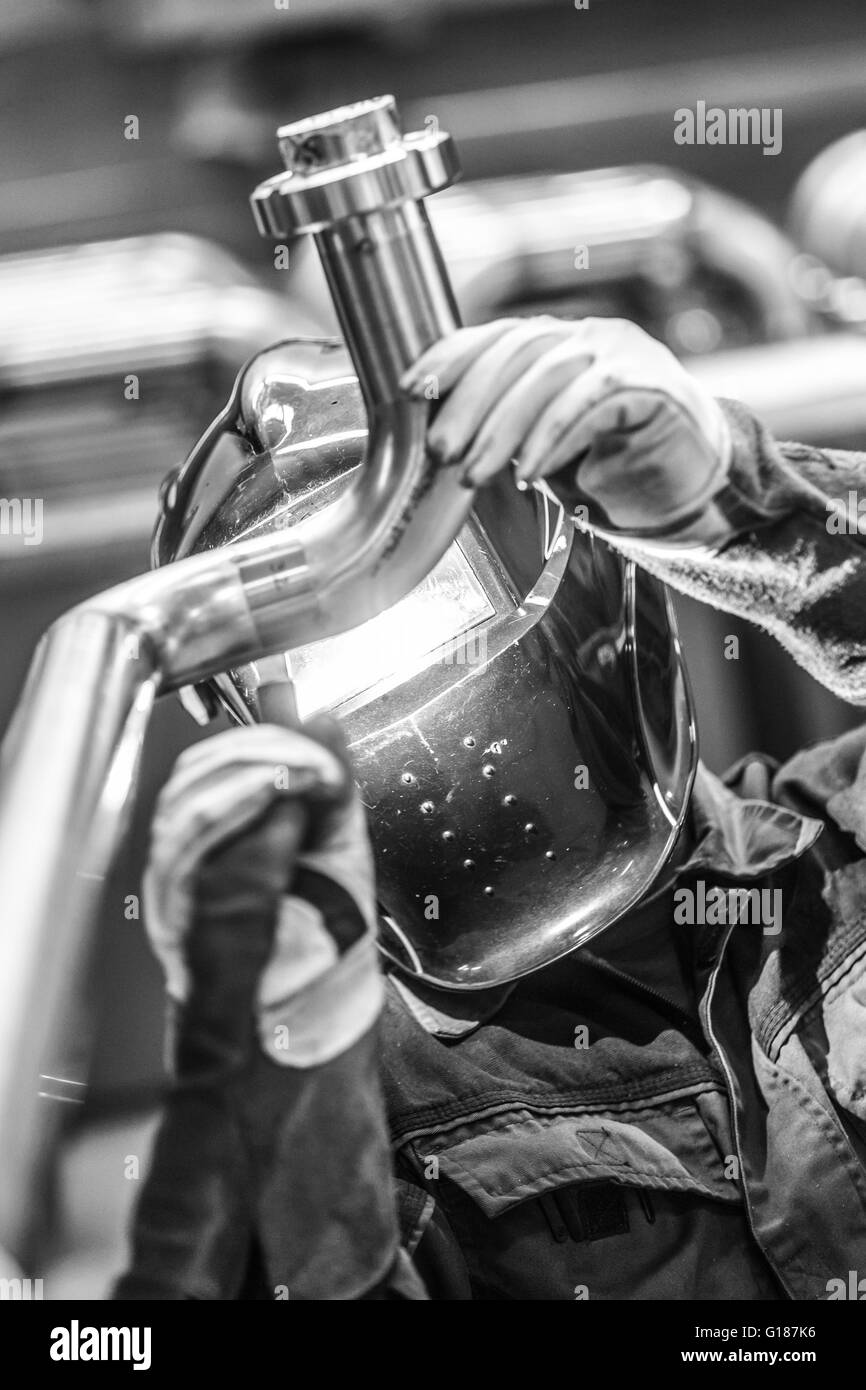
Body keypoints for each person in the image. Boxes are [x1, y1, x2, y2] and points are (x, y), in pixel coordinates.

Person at [116, 317, 866, 1301]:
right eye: (314, 640)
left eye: (419, 576)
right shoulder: (360, 1101)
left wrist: (742, 507)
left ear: (567, 543)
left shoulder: (837, 848)